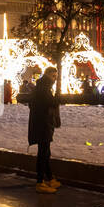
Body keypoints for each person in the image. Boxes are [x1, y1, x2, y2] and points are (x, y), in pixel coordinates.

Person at [28, 66, 61, 194]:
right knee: (43, 153)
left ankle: (49, 178)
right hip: (43, 124)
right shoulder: (43, 88)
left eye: (56, 77)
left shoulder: (42, 87)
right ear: (48, 75)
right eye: (53, 76)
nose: (55, 79)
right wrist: (57, 98)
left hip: (42, 123)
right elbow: (50, 103)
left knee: (45, 152)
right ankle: (40, 182)